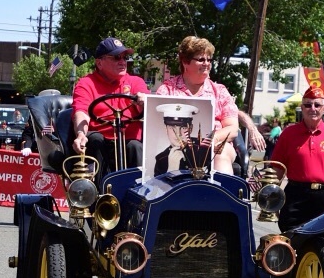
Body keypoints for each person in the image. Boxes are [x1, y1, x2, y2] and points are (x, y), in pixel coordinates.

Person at [269, 85, 324, 232]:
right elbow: (278, 168)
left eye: (317, 105)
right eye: (308, 105)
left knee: (320, 246)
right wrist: (273, 196)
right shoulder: (289, 134)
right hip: (295, 196)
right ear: (302, 107)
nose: (312, 108)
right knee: (289, 242)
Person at [156, 36, 239, 175]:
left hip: (216, 146)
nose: (207, 63)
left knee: (220, 154)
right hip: (178, 146)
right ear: (185, 62)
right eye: (201, 59)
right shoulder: (167, 90)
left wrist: (213, 139)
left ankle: (222, 195)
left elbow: (233, 128)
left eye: (209, 60)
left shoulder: (219, 91)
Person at [72, 37, 149, 177]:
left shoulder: (136, 82)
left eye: (125, 57)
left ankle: (140, 193)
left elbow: (148, 111)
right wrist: (81, 134)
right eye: (116, 57)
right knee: (95, 139)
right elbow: (81, 111)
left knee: (136, 146)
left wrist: (144, 102)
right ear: (99, 63)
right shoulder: (86, 83)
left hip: (128, 143)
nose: (122, 61)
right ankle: (97, 193)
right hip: (100, 144)